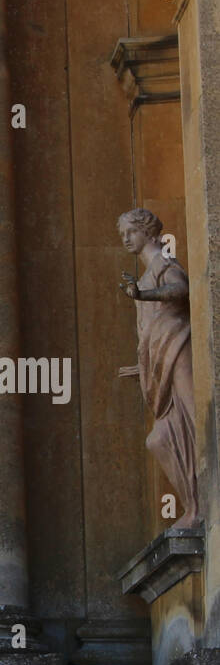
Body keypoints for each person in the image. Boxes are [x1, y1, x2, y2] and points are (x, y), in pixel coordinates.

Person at [117, 208, 198, 528]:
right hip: (160, 360)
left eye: (130, 232)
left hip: (178, 351)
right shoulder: (146, 275)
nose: (125, 239)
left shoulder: (163, 264)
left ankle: (200, 506)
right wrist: (143, 365)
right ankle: (195, 504)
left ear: (148, 233)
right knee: (159, 439)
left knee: (192, 419)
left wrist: (144, 294)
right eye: (122, 234)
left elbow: (181, 290)